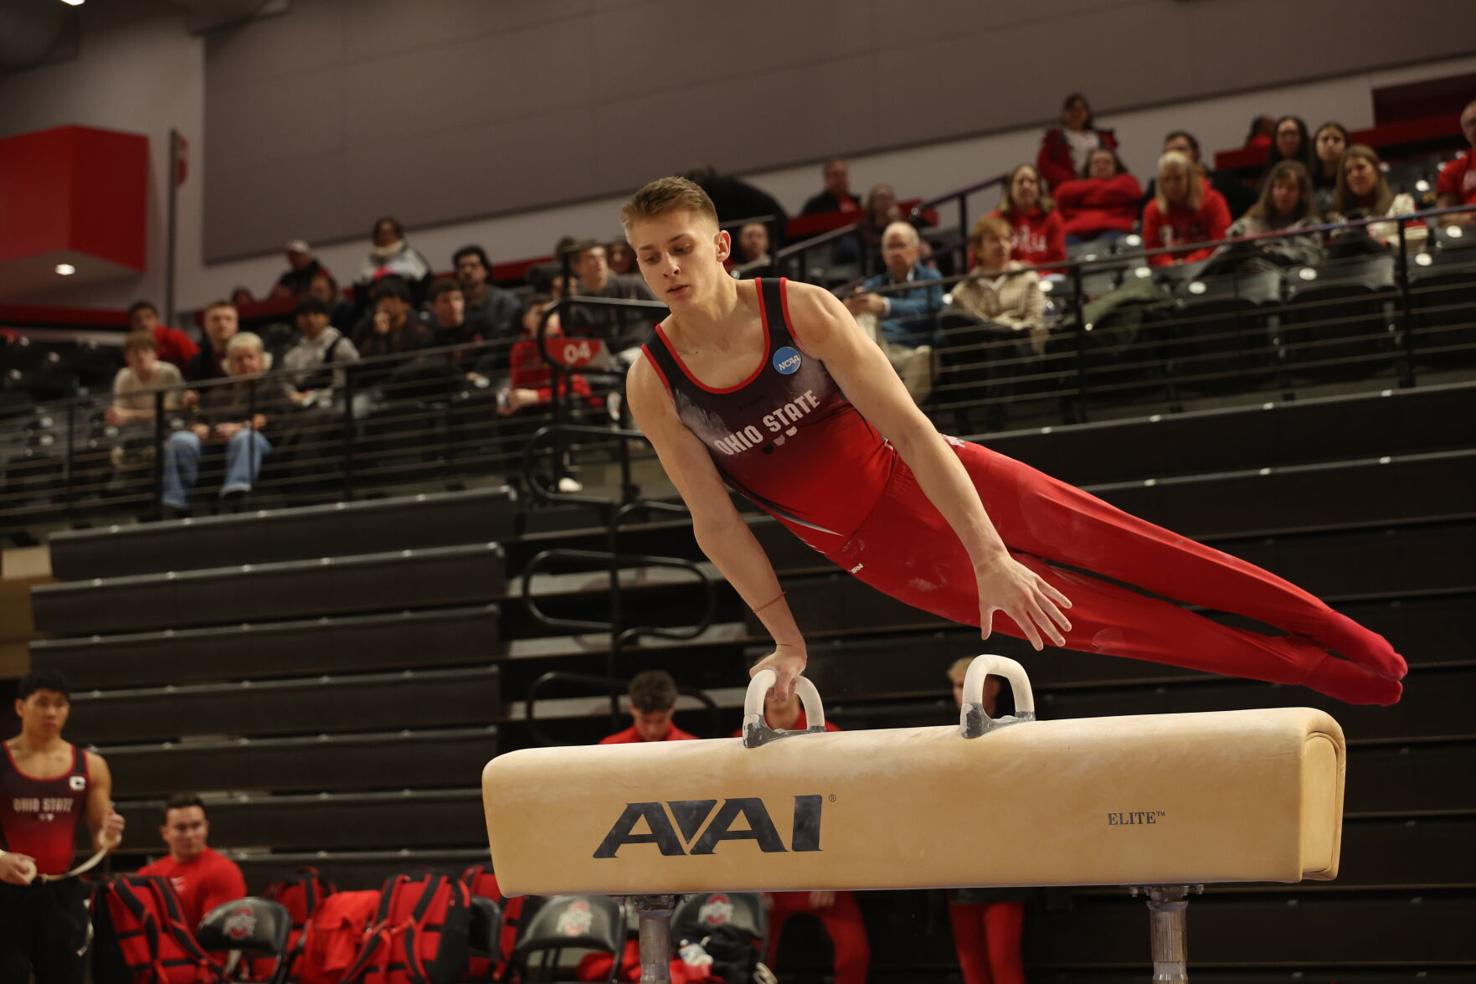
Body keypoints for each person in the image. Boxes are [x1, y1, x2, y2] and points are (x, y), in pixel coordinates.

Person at [621, 176, 1404, 708]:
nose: (667, 268)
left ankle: (1331, 627)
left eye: (680, 246)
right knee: (1107, 625)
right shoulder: (655, 382)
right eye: (649, 256)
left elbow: (911, 432)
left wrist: (991, 553)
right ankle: (1309, 669)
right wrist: (785, 640)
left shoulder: (805, 310)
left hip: (945, 480)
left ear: (720, 247)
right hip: (885, 554)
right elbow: (716, 522)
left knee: (1138, 551)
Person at [725, 685, 867, 983]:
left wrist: (833, 873)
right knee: (751, 955)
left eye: (785, 686)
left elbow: (847, 806)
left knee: (855, 953)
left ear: (799, 689)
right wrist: (752, 878)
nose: (778, 694)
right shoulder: (741, 740)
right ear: (760, 693)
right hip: (769, 865)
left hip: (820, 864)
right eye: (771, 688)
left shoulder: (827, 734)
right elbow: (734, 811)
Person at [1, 669, 126, 984]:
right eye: (42, 703)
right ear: (20, 707)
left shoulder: (91, 765)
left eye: (60, 704)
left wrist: (110, 834)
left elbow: (102, 841)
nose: (51, 712)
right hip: (5, 891)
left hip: (62, 894)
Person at [944, 657, 1026, 984]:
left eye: (970, 685)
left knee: (1003, 961)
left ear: (993, 686)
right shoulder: (943, 738)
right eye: (958, 686)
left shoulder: (1017, 733)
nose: (962, 693)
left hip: (1003, 864)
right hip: (960, 864)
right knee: (971, 966)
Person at [163, 332, 287, 515]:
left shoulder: (272, 386)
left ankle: (235, 495)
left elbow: (279, 417)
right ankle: (177, 502)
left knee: (245, 437)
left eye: (250, 357)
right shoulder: (219, 391)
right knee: (180, 439)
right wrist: (198, 427)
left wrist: (240, 427)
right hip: (215, 444)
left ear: (261, 360)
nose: (244, 363)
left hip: (258, 443)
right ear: (229, 364)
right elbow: (200, 418)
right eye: (238, 359)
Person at [843, 221, 943, 401]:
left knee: (927, 356)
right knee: (862, 307)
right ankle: (869, 369)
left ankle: (892, 414)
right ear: (883, 254)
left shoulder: (930, 277)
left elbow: (931, 307)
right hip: (880, 350)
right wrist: (849, 307)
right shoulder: (875, 283)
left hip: (912, 349)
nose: (896, 252)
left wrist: (886, 306)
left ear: (916, 249)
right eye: (890, 247)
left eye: (901, 245)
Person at [136, 794, 247, 928]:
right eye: (181, 828)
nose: (189, 835)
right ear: (165, 833)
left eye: (196, 826)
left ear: (206, 827)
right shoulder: (147, 875)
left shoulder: (224, 871)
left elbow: (214, 934)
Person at [1224, 160, 1324, 268]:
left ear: (1302, 194)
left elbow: (1311, 258)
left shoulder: (1309, 224)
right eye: (1279, 186)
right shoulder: (1253, 220)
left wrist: (1265, 251)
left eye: (1290, 188)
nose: (1283, 193)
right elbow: (1227, 246)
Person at [1141, 151, 1232, 266]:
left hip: (1211, 268)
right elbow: (1152, 250)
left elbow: (1220, 242)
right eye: (1166, 180)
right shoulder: (1152, 209)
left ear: (1190, 178)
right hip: (1168, 273)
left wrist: (1189, 262)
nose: (1172, 185)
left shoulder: (1213, 200)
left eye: (1178, 178)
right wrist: (1170, 264)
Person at [1328, 144, 1418, 249]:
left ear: (1376, 170)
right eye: (1348, 171)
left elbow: (1417, 237)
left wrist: (1384, 245)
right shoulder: (1336, 216)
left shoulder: (1401, 203)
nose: (1355, 174)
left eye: (1360, 167)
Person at [281, 297, 359, 409]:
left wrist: (316, 396)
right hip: (302, 406)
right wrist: (294, 396)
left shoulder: (340, 344)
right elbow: (286, 383)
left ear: (327, 317)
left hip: (335, 402)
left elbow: (351, 375)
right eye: (305, 315)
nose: (310, 319)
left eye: (316, 314)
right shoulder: (292, 354)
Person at [1054, 148, 1142, 245]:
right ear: (1088, 168)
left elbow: (1132, 191)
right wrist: (1100, 185)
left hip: (1114, 232)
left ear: (1116, 167)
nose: (1101, 166)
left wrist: (1086, 192)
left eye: (1107, 162)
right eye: (1096, 163)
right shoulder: (1071, 186)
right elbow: (1061, 194)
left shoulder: (1127, 183)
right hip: (1074, 234)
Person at [1036, 93, 1118, 190]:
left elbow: (1113, 161)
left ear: (1087, 113)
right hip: (1069, 188)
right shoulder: (1055, 139)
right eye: (1072, 110)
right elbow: (1044, 164)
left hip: (1101, 187)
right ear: (1065, 113)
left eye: (1080, 110)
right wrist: (1068, 180)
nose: (1076, 114)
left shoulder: (1101, 138)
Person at [991, 163, 1066, 267]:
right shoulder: (995, 220)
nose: (1026, 186)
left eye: (1031, 181)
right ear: (1010, 189)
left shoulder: (1052, 218)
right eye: (1020, 182)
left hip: (1044, 279)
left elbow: (1058, 263)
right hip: (1007, 279)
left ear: (1039, 188)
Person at [107, 331, 184, 427]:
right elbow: (120, 413)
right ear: (127, 357)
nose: (141, 356)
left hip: (166, 427)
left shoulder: (169, 372)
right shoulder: (123, 376)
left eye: (145, 350)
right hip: (133, 430)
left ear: (155, 353)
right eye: (135, 352)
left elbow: (168, 411)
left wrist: (130, 415)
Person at [599, 670, 699, 744]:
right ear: (631, 708)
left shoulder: (692, 746)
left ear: (671, 711)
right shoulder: (611, 747)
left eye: (661, 720)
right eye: (645, 720)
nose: (652, 730)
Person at [453, 246, 522, 341]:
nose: (467, 271)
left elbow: (509, 334)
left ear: (485, 270)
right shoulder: (453, 304)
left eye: (473, 266)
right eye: (462, 267)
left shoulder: (505, 300)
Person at [357, 216, 432, 303]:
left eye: (390, 232)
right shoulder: (369, 260)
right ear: (376, 236)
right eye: (382, 233)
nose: (386, 237)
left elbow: (424, 282)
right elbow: (360, 286)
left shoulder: (410, 255)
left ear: (398, 234)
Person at [128, 300, 198, 373]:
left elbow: (194, 362)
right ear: (131, 323)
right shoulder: (131, 346)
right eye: (137, 319)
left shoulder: (174, 336)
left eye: (148, 317)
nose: (143, 323)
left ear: (156, 319)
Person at [1435, 99, 1476, 223]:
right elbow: (1442, 217)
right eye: (1473, 122)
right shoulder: (1453, 170)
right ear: (1465, 133)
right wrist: (1468, 218)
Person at [184, 300, 239, 382]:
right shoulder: (196, 363)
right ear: (205, 325)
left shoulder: (251, 356)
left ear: (236, 324)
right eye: (216, 319)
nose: (222, 324)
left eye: (228, 319)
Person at [1309, 122, 1349, 214]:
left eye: (1337, 140)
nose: (1330, 144)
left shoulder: (1353, 175)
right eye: (1325, 139)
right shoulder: (1305, 176)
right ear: (1315, 145)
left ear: (1346, 146)